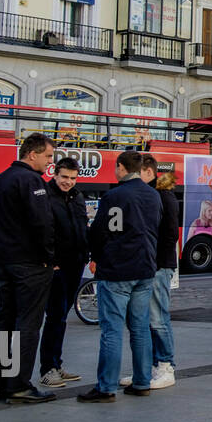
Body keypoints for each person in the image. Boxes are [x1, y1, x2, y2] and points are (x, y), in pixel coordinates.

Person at [78, 150, 163, 402]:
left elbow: (100, 231)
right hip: (145, 268)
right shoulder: (153, 195)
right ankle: (141, 381)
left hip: (117, 269)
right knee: (140, 328)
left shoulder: (114, 196)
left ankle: (106, 387)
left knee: (112, 329)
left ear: (120, 168)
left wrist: (94, 254)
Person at [0, 132, 58, 404]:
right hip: (30, 264)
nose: (49, 162)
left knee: (3, 321)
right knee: (28, 324)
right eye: (48, 156)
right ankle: (18, 385)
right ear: (33, 154)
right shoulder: (31, 181)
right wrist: (48, 257)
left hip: (4, 260)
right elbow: (42, 223)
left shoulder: (1, 179)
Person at [38, 155, 88, 390]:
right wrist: (51, 260)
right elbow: (42, 229)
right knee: (55, 317)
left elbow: (82, 226)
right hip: (56, 267)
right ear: (55, 174)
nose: (68, 182)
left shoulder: (77, 196)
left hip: (75, 264)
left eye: (73, 178)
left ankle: (56, 365)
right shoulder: (46, 196)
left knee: (61, 317)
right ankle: (47, 369)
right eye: (64, 177)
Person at [131, 158, 178, 390]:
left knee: (158, 317)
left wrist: (155, 260)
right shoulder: (158, 196)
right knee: (149, 319)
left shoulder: (164, 198)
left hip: (158, 265)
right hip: (153, 264)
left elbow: (170, 235)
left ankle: (166, 365)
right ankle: (151, 366)